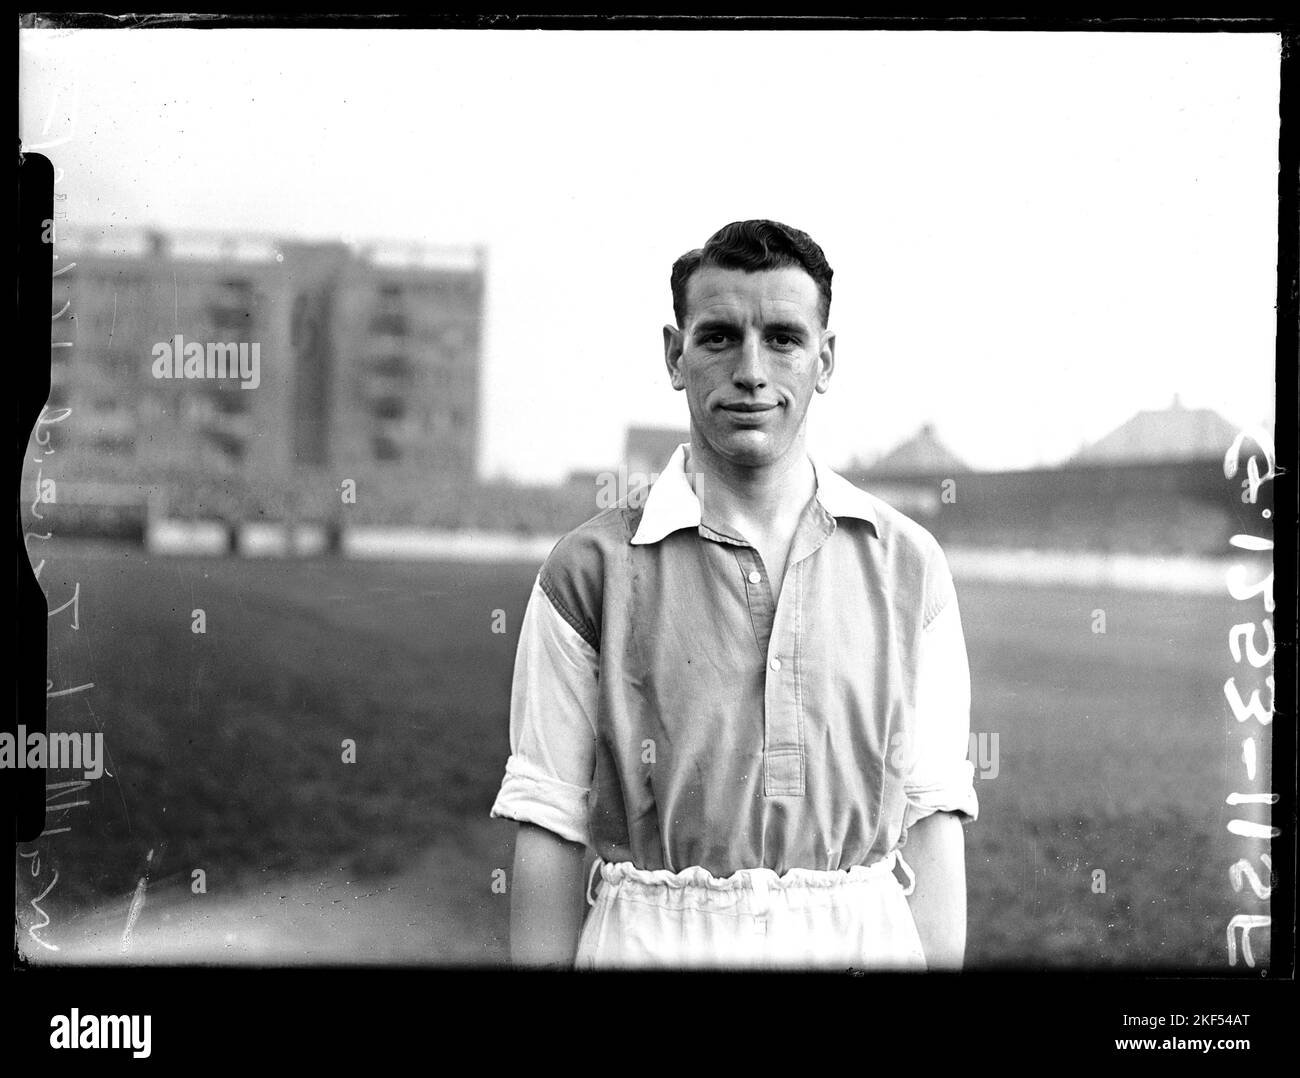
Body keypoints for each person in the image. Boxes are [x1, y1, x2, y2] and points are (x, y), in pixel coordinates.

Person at [490, 219, 978, 969]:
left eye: (783, 337)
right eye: (719, 337)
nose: (751, 370)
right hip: (650, 945)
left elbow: (935, 814)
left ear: (825, 359)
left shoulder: (908, 565)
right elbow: (549, 823)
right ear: (674, 355)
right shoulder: (587, 571)